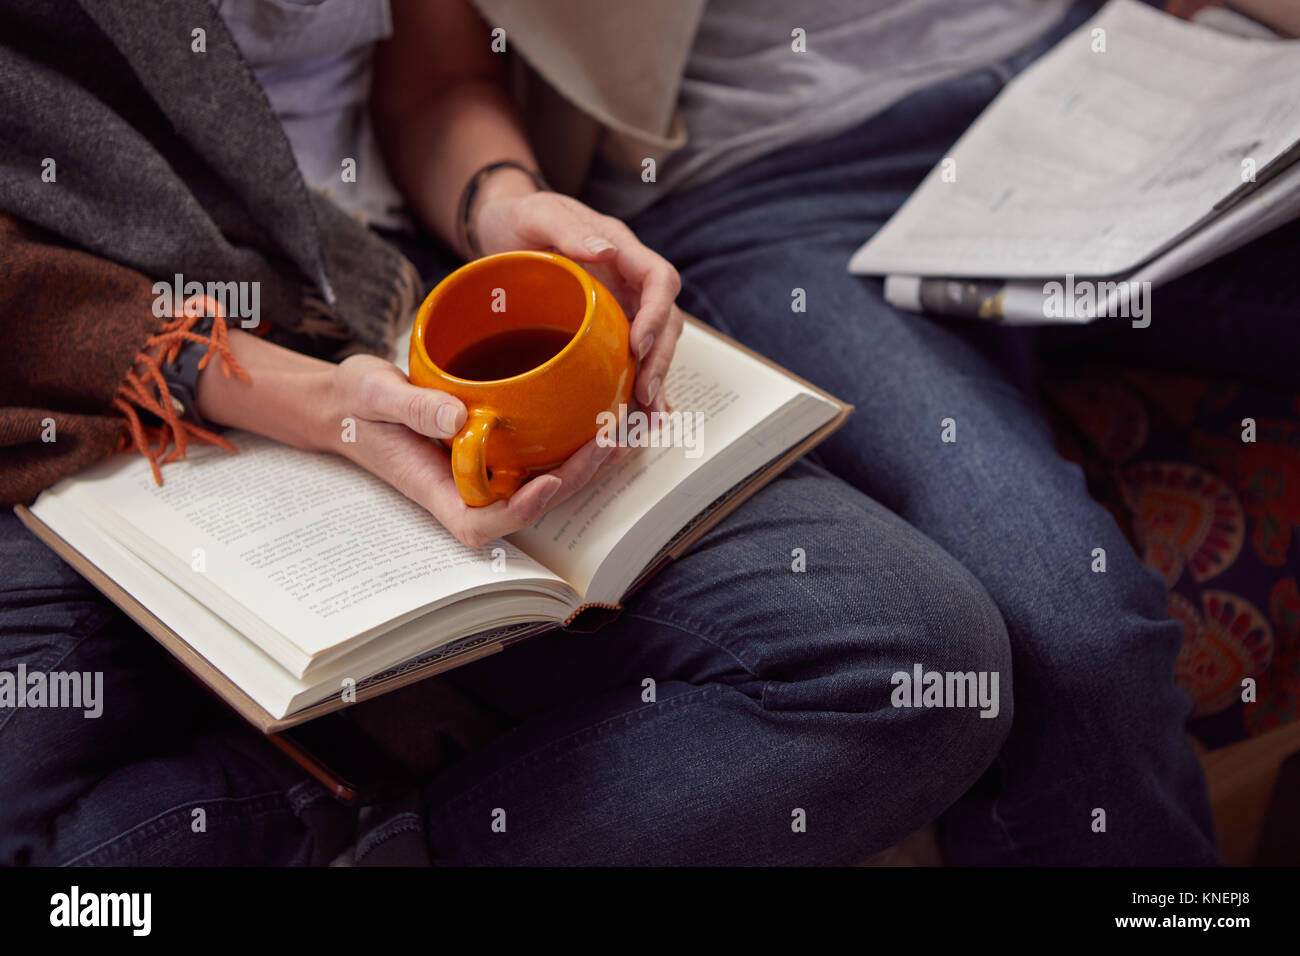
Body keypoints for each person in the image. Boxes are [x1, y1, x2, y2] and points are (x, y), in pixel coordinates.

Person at [0, 0, 1011, 865]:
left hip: (381, 292)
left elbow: (433, 83)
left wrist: (504, 204)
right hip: (99, 379)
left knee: (908, 660)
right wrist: (301, 400)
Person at [521, 0, 1252, 863]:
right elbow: (440, 86)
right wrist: (507, 199)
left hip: (1089, 74)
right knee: (1074, 637)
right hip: (768, 184)